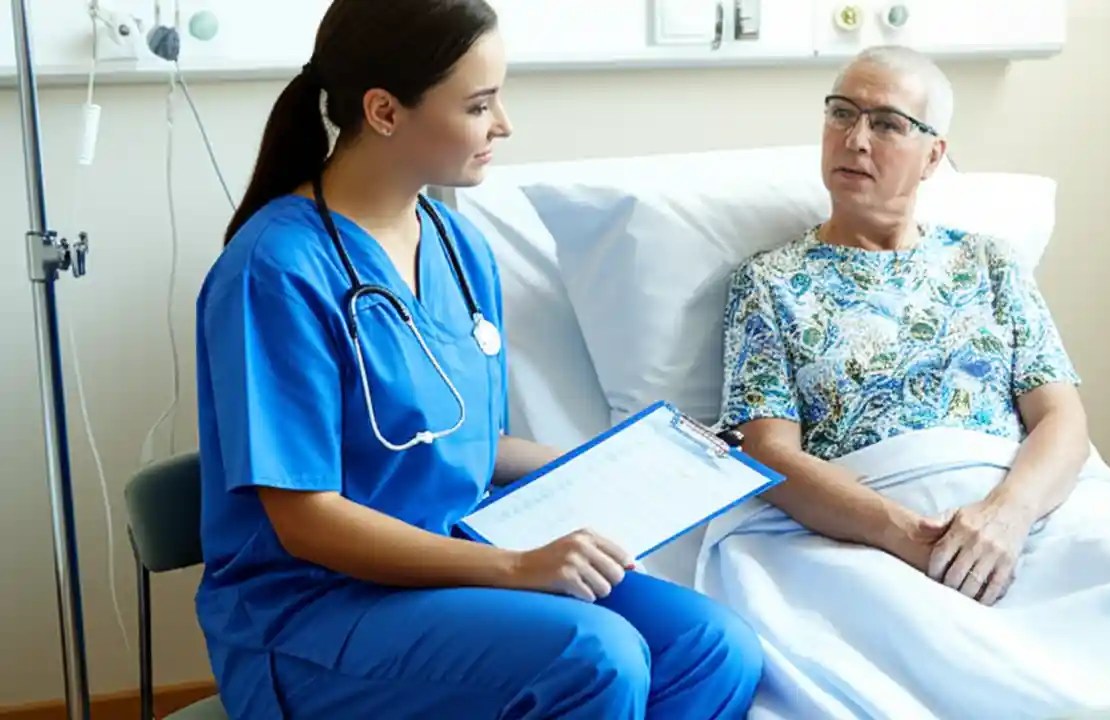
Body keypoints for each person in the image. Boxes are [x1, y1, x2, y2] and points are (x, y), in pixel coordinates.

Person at [194, 1, 762, 718]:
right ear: (385, 111)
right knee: (593, 657)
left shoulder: (458, 250)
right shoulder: (275, 271)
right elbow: (306, 520)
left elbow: (472, 444)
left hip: (451, 565)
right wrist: (516, 568)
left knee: (714, 646)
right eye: (479, 104)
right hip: (315, 610)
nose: (504, 124)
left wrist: (630, 464)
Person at [704, 45, 1110, 719]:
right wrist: (904, 534)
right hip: (877, 528)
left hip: (1028, 511)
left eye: (887, 123)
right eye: (841, 113)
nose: (856, 139)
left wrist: (1007, 515)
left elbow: (1062, 419)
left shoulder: (988, 263)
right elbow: (768, 451)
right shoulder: (769, 281)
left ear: (933, 155)